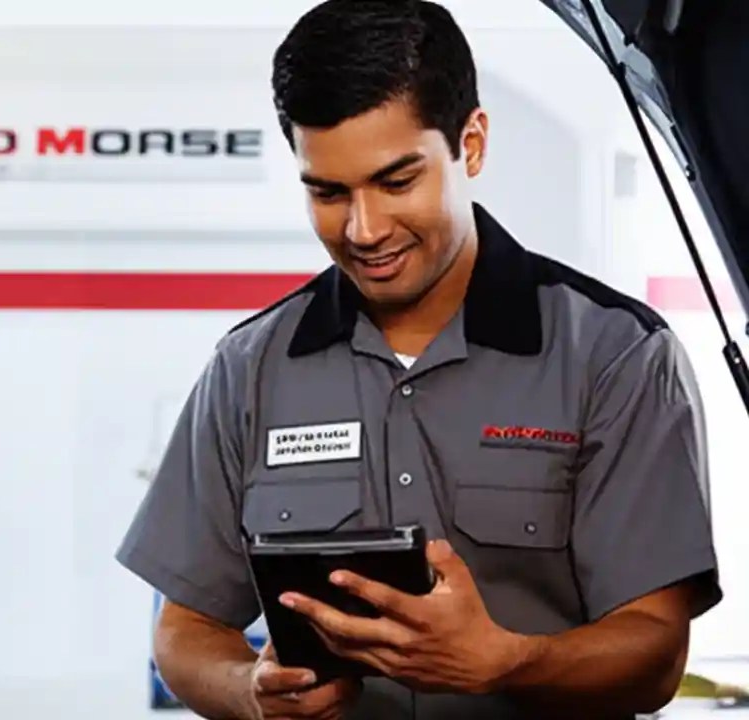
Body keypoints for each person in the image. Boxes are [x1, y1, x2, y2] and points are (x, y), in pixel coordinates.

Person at [115, 1, 720, 718]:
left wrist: (505, 660)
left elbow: (653, 651)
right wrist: (248, 693)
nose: (364, 229)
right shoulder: (249, 368)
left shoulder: (616, 356)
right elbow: (184, 632)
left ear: (470, 144)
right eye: (328, 192)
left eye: (397, 181)